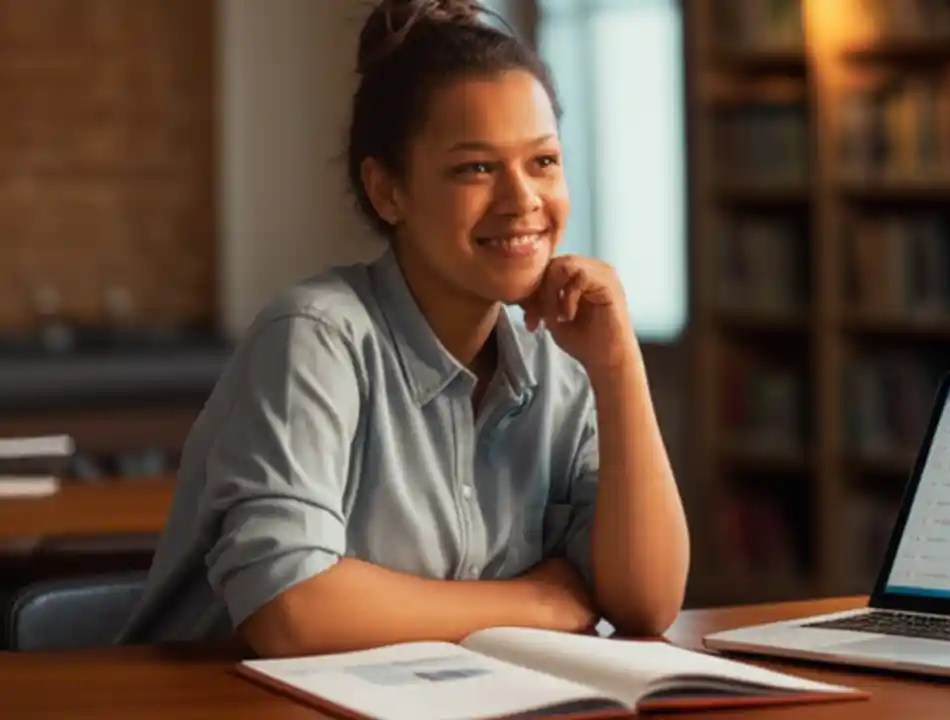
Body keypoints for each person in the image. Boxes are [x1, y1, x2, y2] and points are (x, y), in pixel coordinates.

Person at [119, 0, 689, 657]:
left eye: (543, 161)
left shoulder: (560, 361)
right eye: (476, 168)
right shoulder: (316, 337)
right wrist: (534, 603)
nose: (523, 199)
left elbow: (646, 602)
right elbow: (289, 611)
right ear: (388, 191)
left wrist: (617, 367)